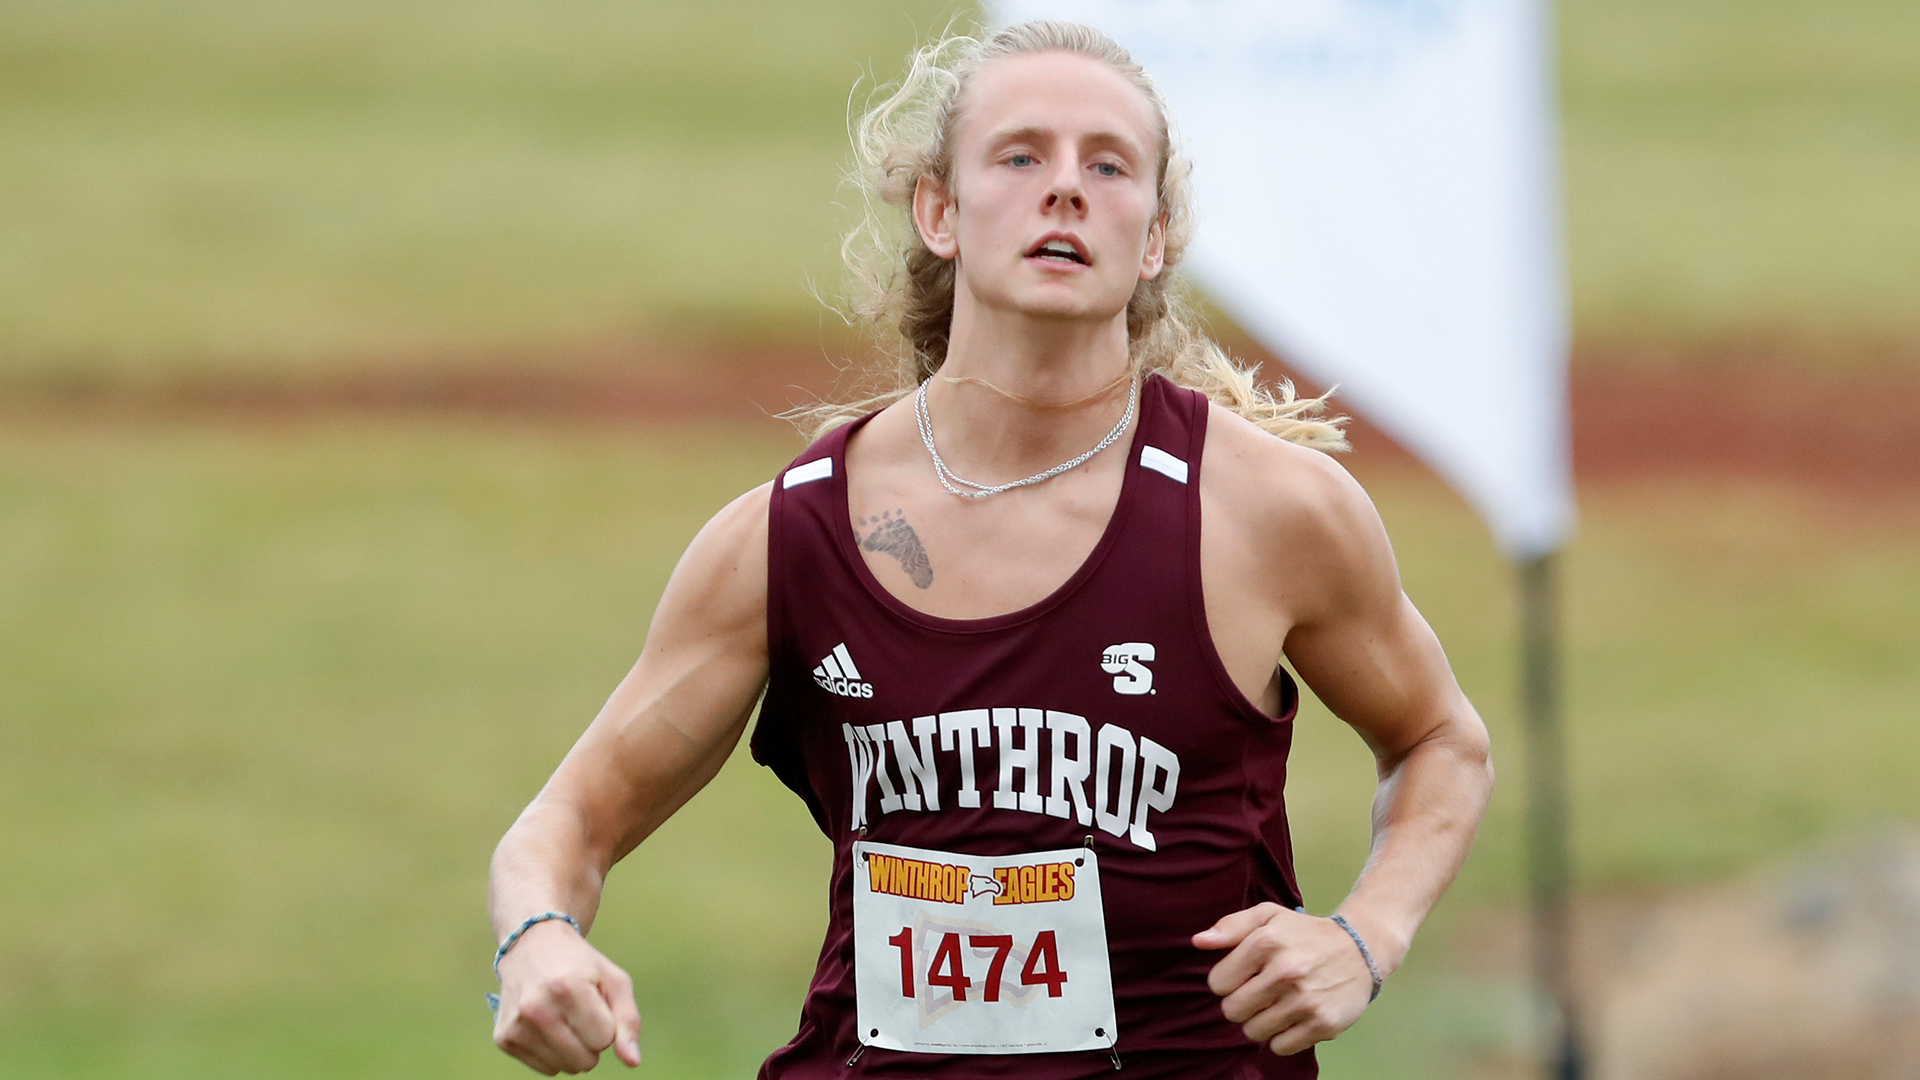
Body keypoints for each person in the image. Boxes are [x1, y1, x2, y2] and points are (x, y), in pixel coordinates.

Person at [487, 21, 1493, 1079]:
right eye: (1020, 156)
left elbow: (1442, 743)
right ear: (939, 210)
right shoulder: (795, 536)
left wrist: (1365, 936)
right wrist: (536, 937)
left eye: (1108, 165)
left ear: (1153, 237)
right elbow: (564, 825)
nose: (1065, 189)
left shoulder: (1266, 513)